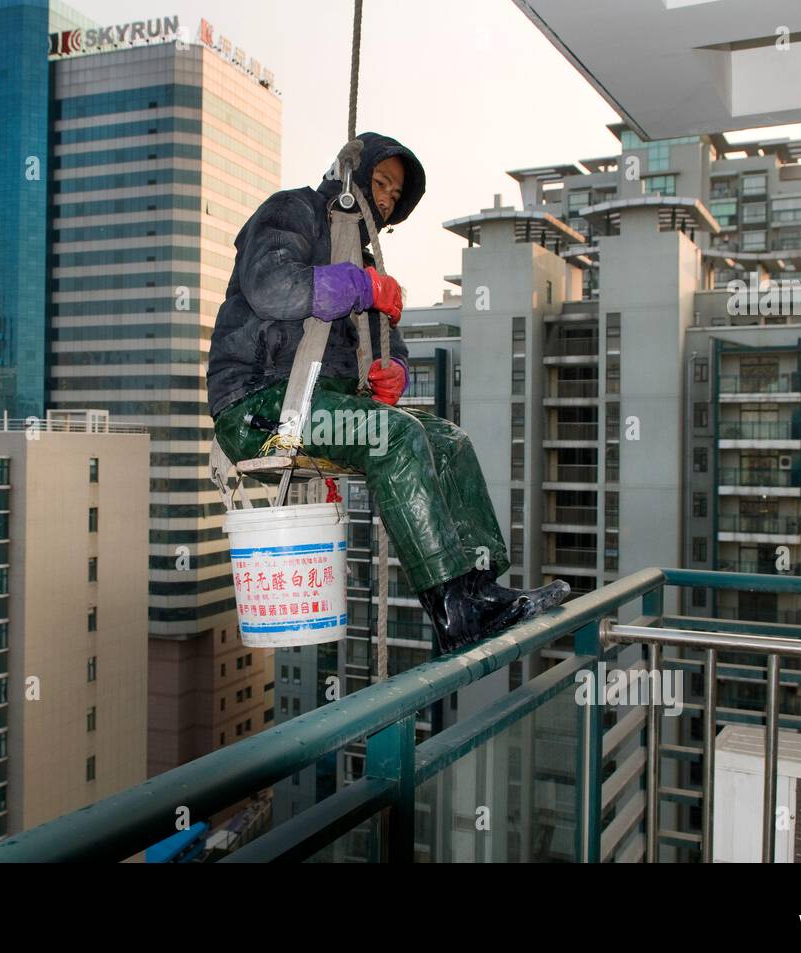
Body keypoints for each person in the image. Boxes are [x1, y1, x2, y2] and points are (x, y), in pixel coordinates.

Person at [208, 132, 568, 652]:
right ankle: (452, 609)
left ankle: (480, 586)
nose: (384, 199)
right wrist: (358, 286)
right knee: (393, 437)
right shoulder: (292, 211)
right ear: (349, 175)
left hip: (319, 405)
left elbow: (386, 342)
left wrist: (393, 368)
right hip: (257, 405)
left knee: (448, 441)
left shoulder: (367, 262)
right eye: (380, 183)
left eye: (394, 195)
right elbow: (272, 287)